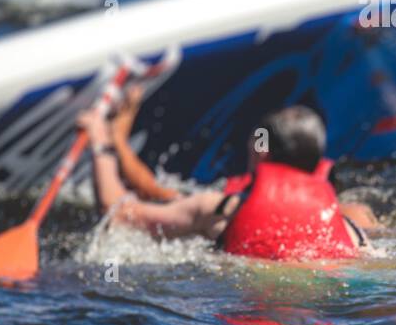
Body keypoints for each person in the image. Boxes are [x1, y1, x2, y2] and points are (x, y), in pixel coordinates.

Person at [77, 88, 379, 261]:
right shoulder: (352, 224)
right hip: (331, 314)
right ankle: (121, 142)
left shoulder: (221, 209)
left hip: (250, 308)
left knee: (169, 199)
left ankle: (117, 140)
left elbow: (118, 213)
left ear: (261, 152)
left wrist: (99, 140)